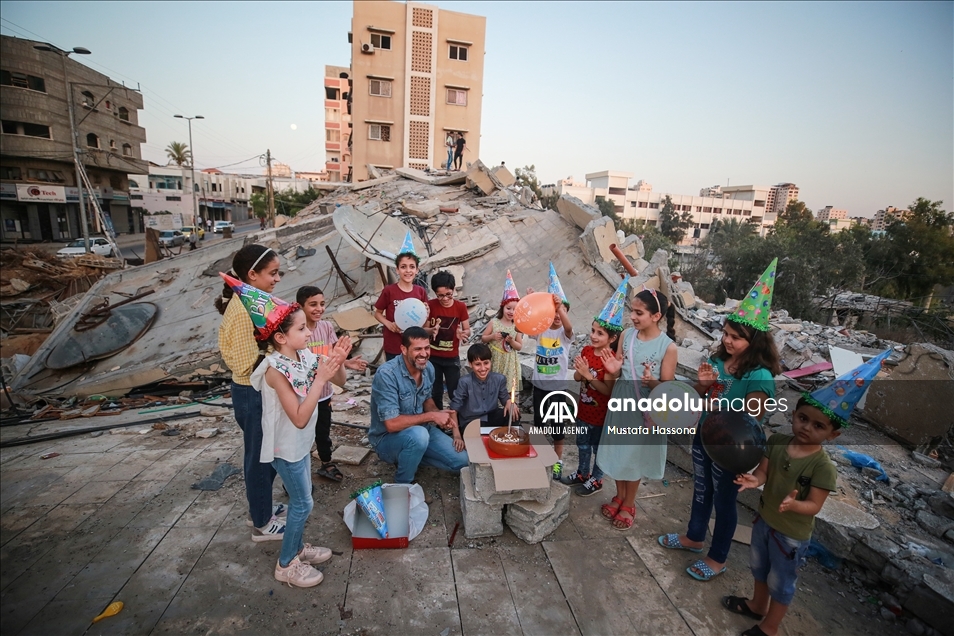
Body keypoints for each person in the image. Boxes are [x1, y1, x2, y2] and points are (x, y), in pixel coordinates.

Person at [723, 350, 888, 636]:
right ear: (794, 414)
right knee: (759, 568)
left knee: (781, 582)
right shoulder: (777, 441)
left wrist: (794, 505)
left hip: (791, 536)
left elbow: (814, 505)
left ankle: (770, 627)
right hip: (765, 520)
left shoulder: (823, 467)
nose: (806, 427)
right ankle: (757, 606)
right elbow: (764, 471)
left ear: (833, 434)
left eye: (818, 426)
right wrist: (754, 479)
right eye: (802, 418)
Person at [659, 258, 782, 582]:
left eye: (736, 337)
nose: (728, 341)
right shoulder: (717, 362)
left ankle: (717, 558)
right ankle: (694, 537)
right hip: (704, 437)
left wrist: (724, 404)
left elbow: (752, 418)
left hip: (731, 450)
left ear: (755, 341)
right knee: (702, 490)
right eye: (726, 334)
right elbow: (700, 397)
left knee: (725, 502)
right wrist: (702, 384)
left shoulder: (759, 375)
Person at [247, 291, 351, 587]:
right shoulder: (274, 370)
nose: (309, 333)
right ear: (281, 337)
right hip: (286, 447)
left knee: (301, 502)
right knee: (303, 504)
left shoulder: (304, 356)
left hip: (301, 444)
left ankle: (297, 548)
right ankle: (285, 564)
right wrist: (321, 378)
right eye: (302, 328)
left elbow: (340, 380)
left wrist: (338, 360)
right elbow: (299, 417)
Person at [216, 245, 287, 542]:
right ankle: (261, 522)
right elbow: (246, 364)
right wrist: (281, 358)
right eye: (273, 273)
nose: (277, 279)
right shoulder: (243, 310)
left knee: (268, 452)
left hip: (257, 390)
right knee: (260, 457)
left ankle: (261, 507)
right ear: (252, 274)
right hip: (252, 391)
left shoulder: (251, 301)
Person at [597, 283, 678, 530]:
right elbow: (618, 368)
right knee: (620, 452)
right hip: (622, 401)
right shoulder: (626, 335)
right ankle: (619, 495)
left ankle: (630, 503)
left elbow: (667, 388)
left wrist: (651, 381)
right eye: (631, 311)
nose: (632, 316)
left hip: (645, 409)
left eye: (639, 313)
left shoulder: (668, 347)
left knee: (634, 456)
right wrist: (613, 370)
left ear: (656, 316)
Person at [369, 326, 469, 483]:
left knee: (462, 461)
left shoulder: (428, 368)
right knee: (418, 436)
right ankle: (403, 484)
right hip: (387, 439)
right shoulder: (387, 375)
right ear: (404, 349)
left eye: (427, 348)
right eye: (417, 349)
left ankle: (411, 456)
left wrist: (439, 414)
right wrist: (431, 416)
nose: (424, 354)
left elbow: (426, 398)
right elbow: (391, 424)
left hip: (421, 431)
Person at [296, 285, 369, 483]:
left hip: (324, 392)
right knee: (301, 434)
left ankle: (326, 462)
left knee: (323, 430)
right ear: (300, 307)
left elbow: (333, 355)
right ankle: (298, 475)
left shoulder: (326, 327)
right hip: (303, 394)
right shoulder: (296, 331)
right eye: (313, 304)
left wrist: (347, 362)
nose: (319, 309)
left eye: (322, 304)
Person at [565, 289, 624, 496]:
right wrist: (580, 372)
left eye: (600, 333)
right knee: (582, 444)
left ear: (612, 337)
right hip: (583, 411)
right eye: (592, 330)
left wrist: (588, 375)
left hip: (600, 415)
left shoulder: (610, 360)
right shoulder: (587, 351)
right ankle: (582, 473)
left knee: (598, 448)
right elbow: (577, 378)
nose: (593, 336)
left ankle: (597, 479)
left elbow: (608, 390)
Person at [528, 262, 573, 480]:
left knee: (557, 428)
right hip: (539, 386)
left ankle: (557, 461)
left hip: (557, 388)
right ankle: (538, 457)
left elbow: (569, 326)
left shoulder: (566, 334)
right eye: (553, 312)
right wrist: (529, 302)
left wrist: (560, 307)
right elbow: (523, 326)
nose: (557, 316)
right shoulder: (541, 329)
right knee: (538, 424)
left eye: (561, 312)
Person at [374, 231, 428, 362]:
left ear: (417, 270)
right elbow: (377, 313)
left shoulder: (420, 292)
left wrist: (427, 312)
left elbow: (424, 321)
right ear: (397, 270)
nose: (408, 271)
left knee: (413, 373)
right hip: (393, 345)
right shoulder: (389, 291)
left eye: (412, 267)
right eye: (403, 267)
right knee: (394, 373)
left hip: (414, 346)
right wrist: (388, 324)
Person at [424, 270, 471, 410]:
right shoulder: (430, 306)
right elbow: (424, 330)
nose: (445, 299)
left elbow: (467, 329)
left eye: (448, 294)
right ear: (435, 293)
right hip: (433, 357)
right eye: (440, 296)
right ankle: (438, 418)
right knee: (435, 391)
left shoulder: (460, 307)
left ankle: (457, 416)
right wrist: (431, 331)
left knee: (454, 391)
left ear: (454, 289)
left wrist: (463, 334)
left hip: (452, 358)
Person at [450, 343, 519, 434]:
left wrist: (509, 402)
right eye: (478, 364)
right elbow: (454, 409)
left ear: (490, 362)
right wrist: (456, 435)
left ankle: (510, 438)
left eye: (486, 363)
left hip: (491, 416)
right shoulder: (464, 382)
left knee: (514, 412)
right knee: (477, 437)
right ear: (470, 364)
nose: (483, 368)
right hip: (471, 421)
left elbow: (504, 397)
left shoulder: (499, 379)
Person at [481, 270, 523, 395]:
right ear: (502, 308)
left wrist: (512, 341)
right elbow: (483, 338)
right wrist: (492, 336)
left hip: (510, 362)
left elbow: (519, 346)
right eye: (508, 308)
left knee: (509, 389)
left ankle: (509, 405)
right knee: (492, 388)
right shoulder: (494, 322)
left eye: (515, 309)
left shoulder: (517, 326)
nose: (511, 312)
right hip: (495, 359)